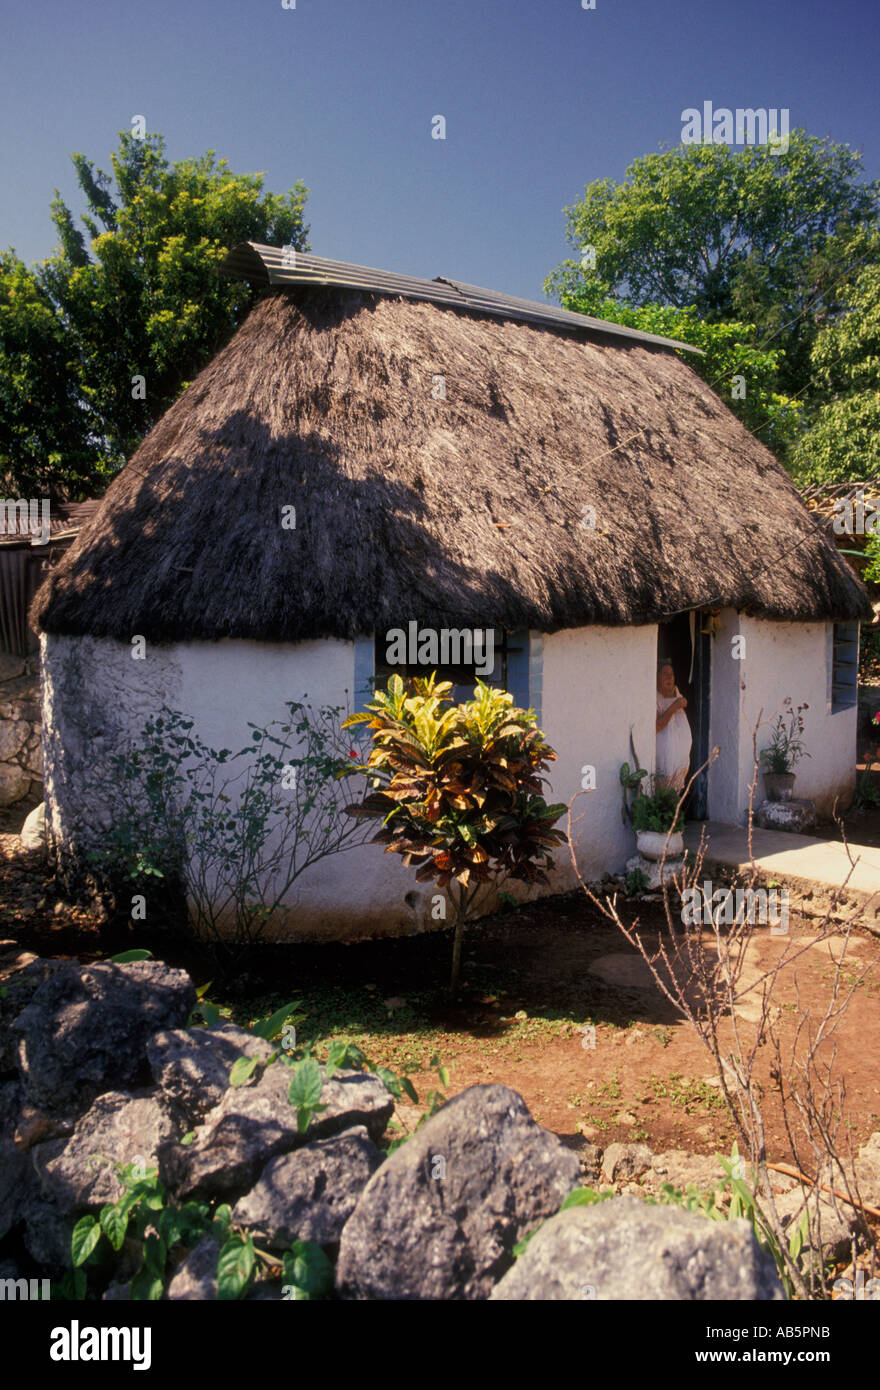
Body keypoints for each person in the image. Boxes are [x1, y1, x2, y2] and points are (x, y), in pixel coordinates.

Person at [656, 661, 692, 791]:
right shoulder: (654, 699)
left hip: (679, 765)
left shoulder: (676, 694)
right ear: (657, 677)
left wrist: (677, 703)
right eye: (665, 674)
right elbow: (657, 726)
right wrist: (674, 706)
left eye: (671, 674)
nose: (669, 677)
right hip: (664, 763)